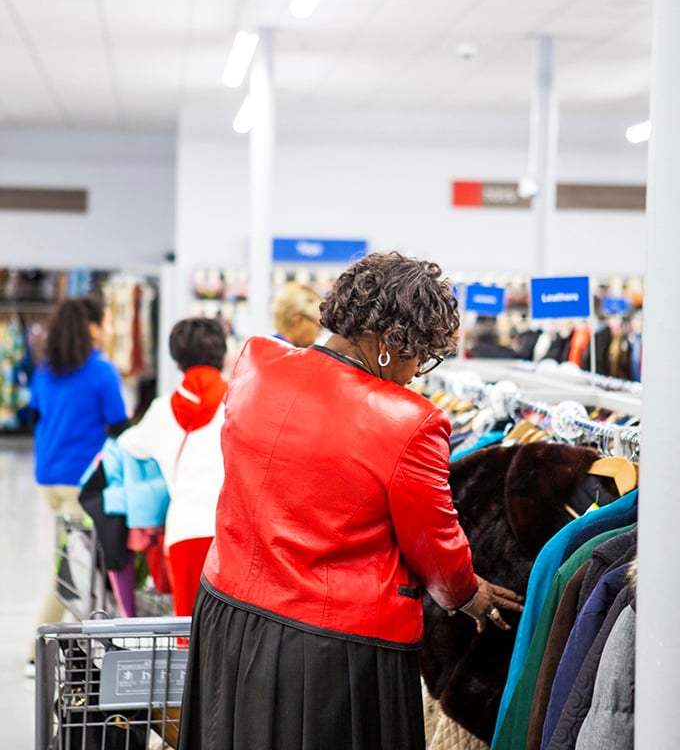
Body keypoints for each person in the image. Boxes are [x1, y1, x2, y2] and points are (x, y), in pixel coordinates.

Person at [177, 252, 524, 750]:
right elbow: (434, 543)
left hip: (226, 609)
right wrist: (468, 595)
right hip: (332, 645)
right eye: (419, 357)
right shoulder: (409, 420)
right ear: (389, 343)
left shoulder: (255, 361)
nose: (415, 375)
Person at [27, 295, 129, 675]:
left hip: (48, 478)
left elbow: (37, 413)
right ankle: (36, 652)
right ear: (91, 327)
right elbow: (119, 425)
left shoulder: (45, 369)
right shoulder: (101, 371)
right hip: (80, 485)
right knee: (72, 571)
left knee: (71, 562)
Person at [116, 317, 228, 617]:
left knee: (188, 632)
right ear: (223, 353)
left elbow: (126, 446)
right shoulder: (238, 401)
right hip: (232, 530)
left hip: (185, 530)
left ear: (177, 360)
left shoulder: (161, 409)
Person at [270, 280, 322, 346]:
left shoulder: (265, 347)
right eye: (319, 327)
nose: (319, 335)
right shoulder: (288, 354)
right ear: (298, 320)